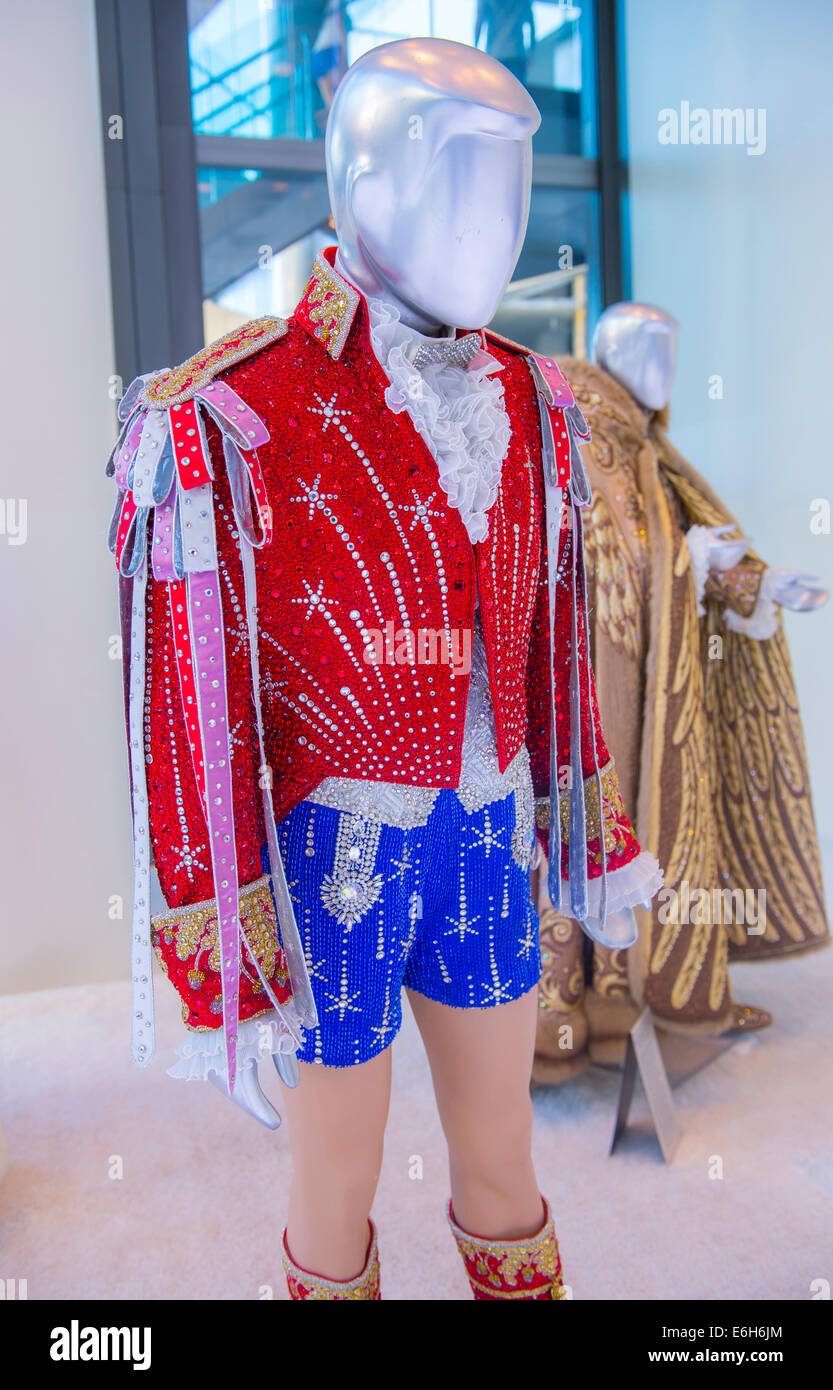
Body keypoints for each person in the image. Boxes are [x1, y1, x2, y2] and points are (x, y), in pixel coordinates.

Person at [107, 38, 659, 1301]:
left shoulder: (530, 402)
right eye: (458, 177)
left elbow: (553, 640)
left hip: (484, 840)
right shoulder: (229, 414)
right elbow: (194, 711)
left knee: (503, 1155)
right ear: (362, 177)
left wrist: (587, 826)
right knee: (335, 1195)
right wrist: (221, 962)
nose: (493, 219)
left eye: (510, 184)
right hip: (327, 871)